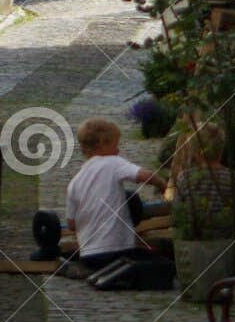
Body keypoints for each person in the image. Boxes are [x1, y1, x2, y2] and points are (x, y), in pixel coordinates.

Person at [64, 117, 169, 287]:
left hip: (88, 255)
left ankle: (91, 270)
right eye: (115, 144)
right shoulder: (112, 163)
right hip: (117, 251)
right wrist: (163, 185)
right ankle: (119, 278)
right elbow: (145, 176)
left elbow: (71, 224)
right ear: (103, 144)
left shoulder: (74, 182)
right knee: (162, 262)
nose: (118, 150)